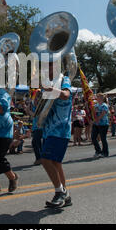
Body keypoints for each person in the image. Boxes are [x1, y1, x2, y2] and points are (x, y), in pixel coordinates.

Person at [40, 62, 73, 208]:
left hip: (60, 128)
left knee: (45, 160)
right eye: (45, 66)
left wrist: (51, 90)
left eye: (50, 65)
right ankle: (66, 195)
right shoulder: (48, 82)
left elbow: (65, 95)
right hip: (49, 128)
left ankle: (59, 192)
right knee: (56, 163)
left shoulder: (64, 79)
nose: (47, 68)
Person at [24, 91, 43, 165]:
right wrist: (28, 106)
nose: (35, 99)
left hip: (41, 126)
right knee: (38, 143)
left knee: (35, 142)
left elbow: (35, 115)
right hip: (35, 126)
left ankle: (39, 158)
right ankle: (41, 158)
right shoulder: (33, 105)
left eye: (37, 97)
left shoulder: (41, 105)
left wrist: (30, 112)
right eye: (34, 97)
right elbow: (27, 111)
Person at [91, 93, 110, 158]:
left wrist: (97, 119)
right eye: (97, 97)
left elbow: (103, 114)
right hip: (96, 124)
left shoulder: (104, 105)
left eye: (98, 97)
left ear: (102, 98)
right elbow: (93, 113)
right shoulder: (95, 105)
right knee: (93, 137)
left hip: (103, 124)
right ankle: (98, 151)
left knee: (103, 138)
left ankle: (105, 152)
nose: (97, 98)